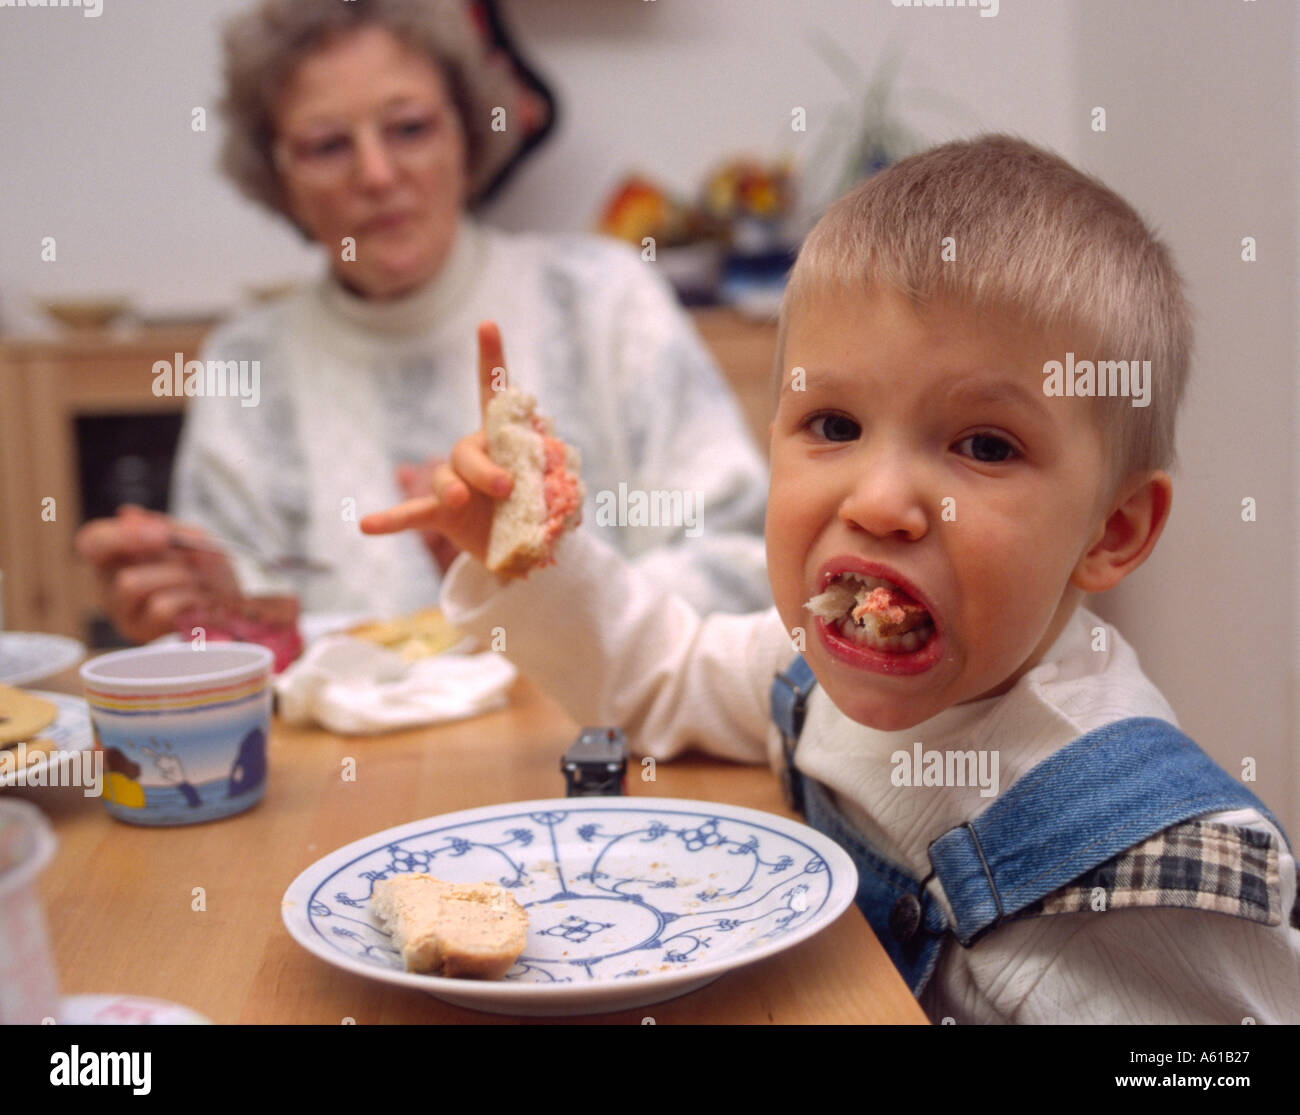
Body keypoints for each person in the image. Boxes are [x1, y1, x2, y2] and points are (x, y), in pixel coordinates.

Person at [361, 135, 1300, 1023]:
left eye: (984, 444)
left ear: (1114, 528)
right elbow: (663, 674)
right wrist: (523, 558)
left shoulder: (1146, 861)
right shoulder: (807, 672)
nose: (881, 500)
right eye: (835, 425)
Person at [76, 0, 769, 644]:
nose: (377, 174)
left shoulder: (604, 297)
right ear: (276, 175)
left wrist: (535, 581)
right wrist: (213, 617)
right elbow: (259, 640)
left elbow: (746, 564)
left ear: (467, 133)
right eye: (326, 145)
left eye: (409, 128)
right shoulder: (245, 363)